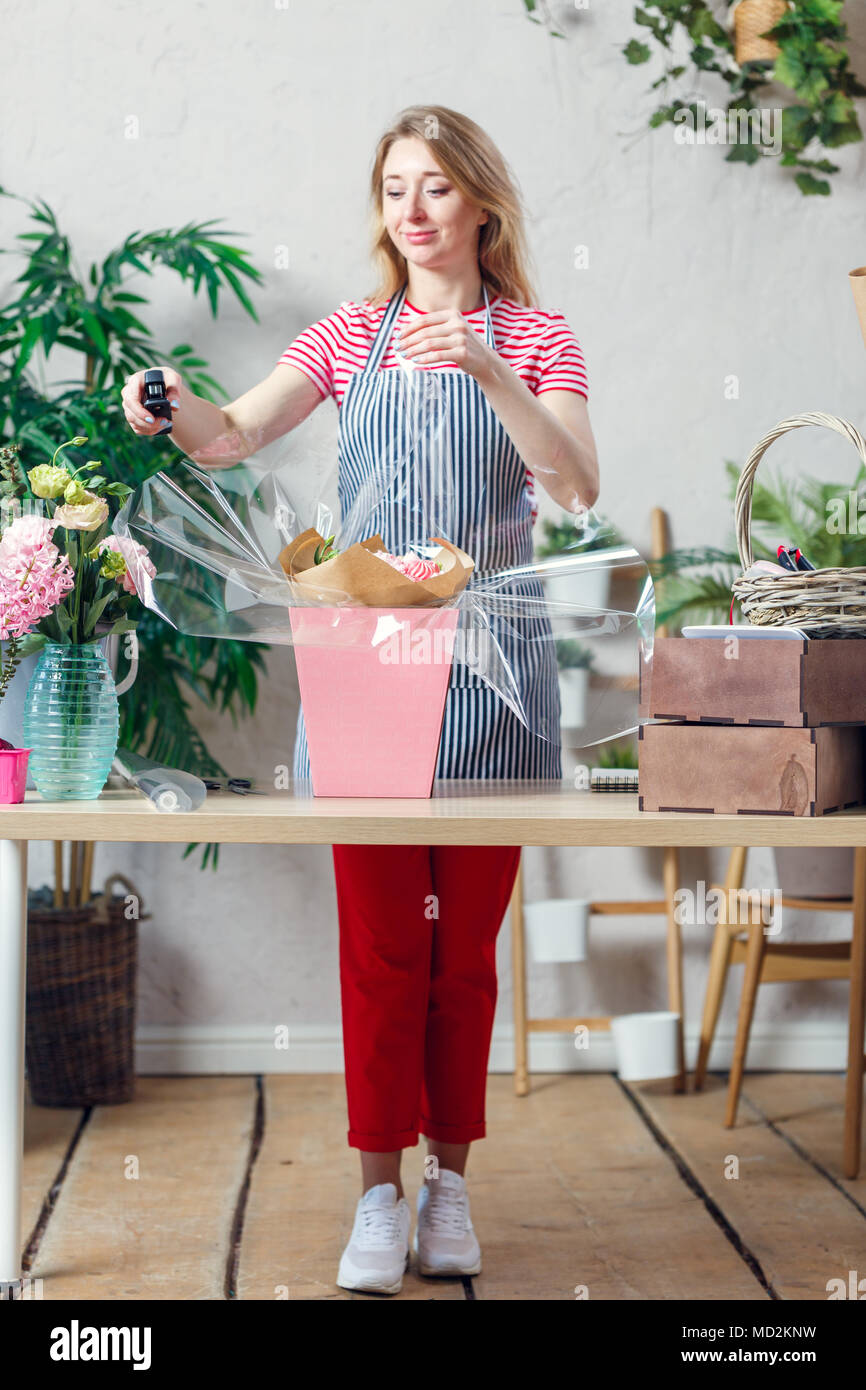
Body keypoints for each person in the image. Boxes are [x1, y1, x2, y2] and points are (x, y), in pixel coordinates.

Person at [121, 103, 599, 1297]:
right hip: (366, 678)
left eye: (435, 187)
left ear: (481, 203)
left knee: (464, 959)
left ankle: (451, 1187)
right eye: (395, 188)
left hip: (494, 683)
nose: (413, 210)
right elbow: (229, 436)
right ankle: (377, 1194)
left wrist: (487, 368)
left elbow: (576, 482)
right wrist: (166, 407)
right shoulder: (350, 335)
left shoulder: (535, 337)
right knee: (385, 950)